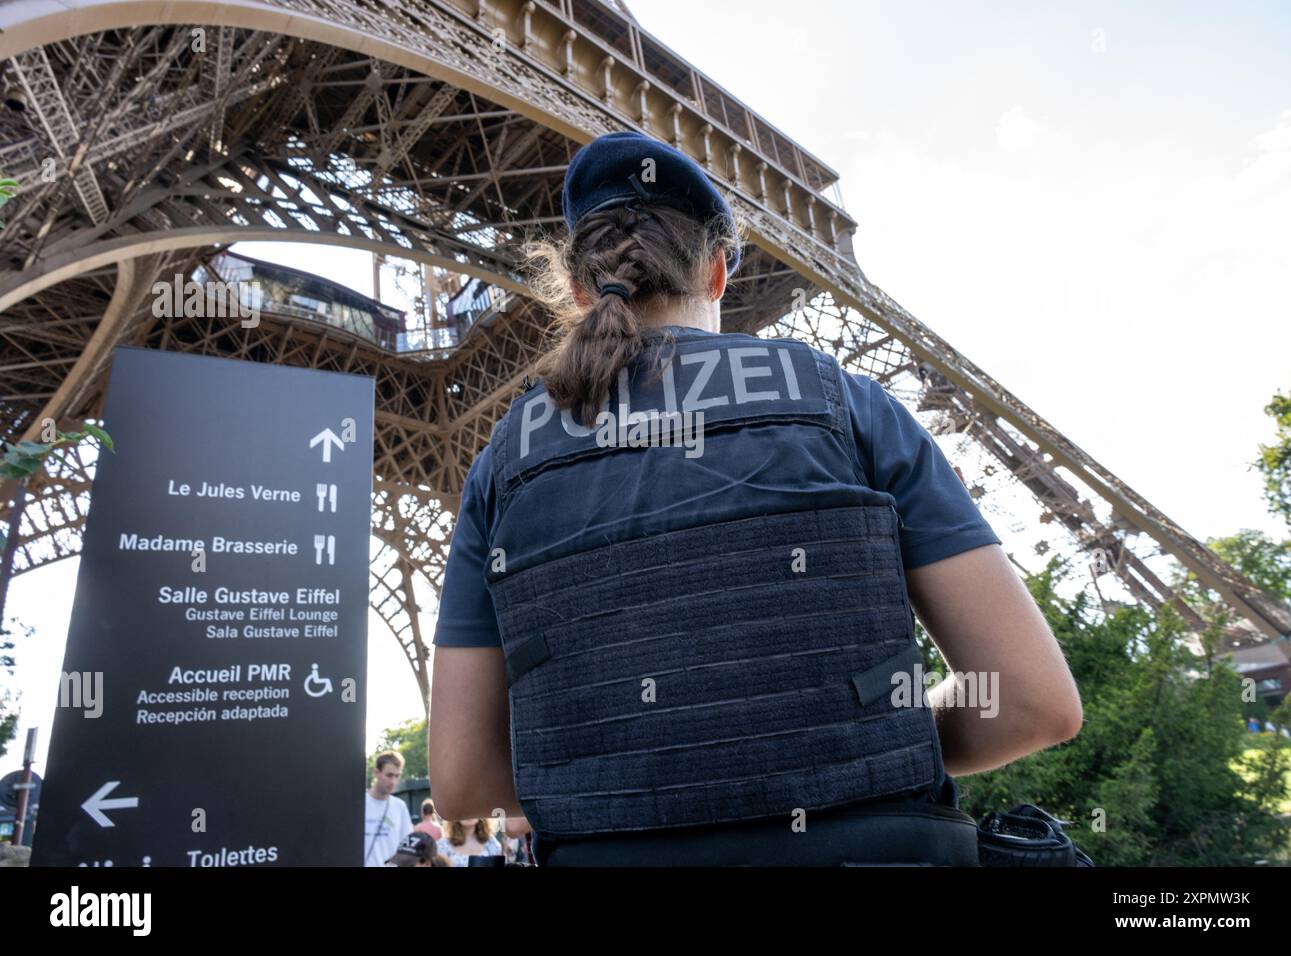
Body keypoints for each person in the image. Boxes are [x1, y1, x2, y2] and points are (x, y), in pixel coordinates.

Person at [427, 129, 1083, 866]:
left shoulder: (502, 465)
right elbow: (1035, 703)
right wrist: (861, 733)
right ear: (716, 271)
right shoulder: (850, 405)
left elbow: (461, 783)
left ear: (580, 290)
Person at [364, 751, 413, 867]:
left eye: (397, 776)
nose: (393, 781)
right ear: (376, 772)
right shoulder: (360, 803)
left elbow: (407, 847)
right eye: (389, 775)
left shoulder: (400, 807)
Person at [436, 819, 503, 867]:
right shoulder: (442, 846)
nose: (468, 813)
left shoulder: (491, 844)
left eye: (473, 807)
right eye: (463, 808)